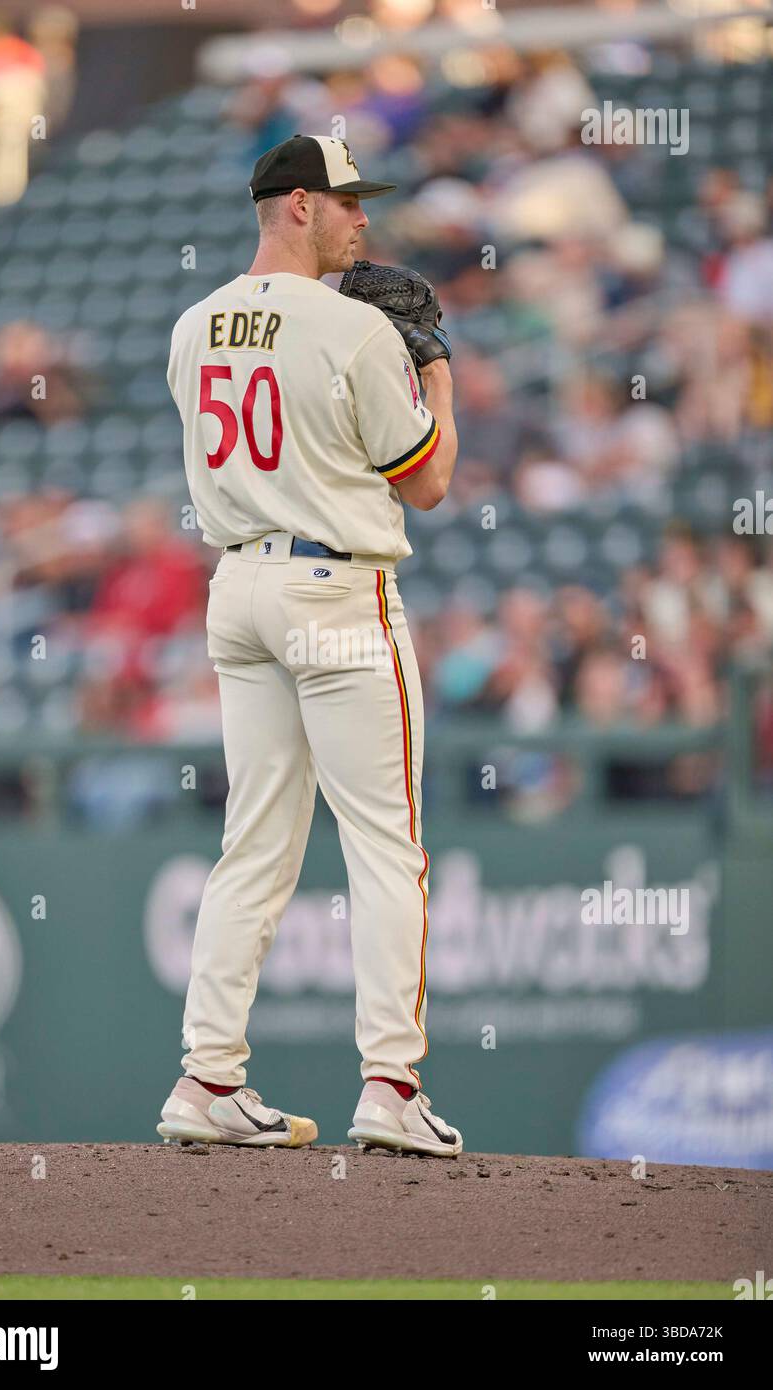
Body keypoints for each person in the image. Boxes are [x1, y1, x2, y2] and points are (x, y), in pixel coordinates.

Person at [158, 135, 462, 1156]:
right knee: (384, 842)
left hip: (238, 585)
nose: (359, 218)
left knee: (253, 840)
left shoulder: (192, 327)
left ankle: (206, 1076)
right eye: (344, 201)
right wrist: (434, 367)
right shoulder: (352, 326)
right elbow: (424, 478)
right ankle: (390, 1083)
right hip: (334, 587)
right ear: (295, 205)